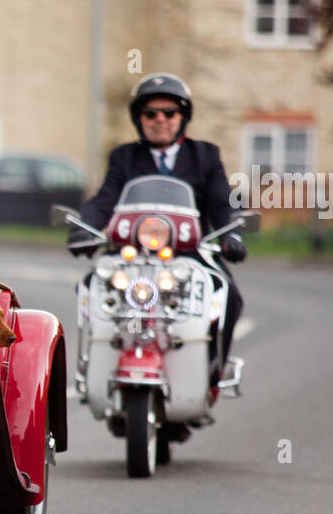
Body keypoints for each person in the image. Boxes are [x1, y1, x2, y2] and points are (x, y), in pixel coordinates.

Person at [69, 72, 246, 382]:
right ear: (139, 119)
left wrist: (231, 233)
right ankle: (93, 369)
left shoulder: (205, 155)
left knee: (228, 293)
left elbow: (221, 203)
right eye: (150, 113)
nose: (160, 119)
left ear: (183, 117)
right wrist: (85, 226)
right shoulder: (124, 157)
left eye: (169, 112)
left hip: (191, 253)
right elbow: (104, 200)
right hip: (130, 254)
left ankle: (213, 372)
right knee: (90, 285)